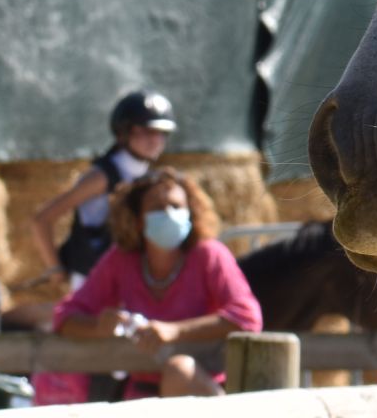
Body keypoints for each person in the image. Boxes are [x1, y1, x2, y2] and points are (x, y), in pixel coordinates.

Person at [52, 168, 262, 397]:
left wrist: (174, 331)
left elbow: (247, 317)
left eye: (176, 207)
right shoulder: (121, 260)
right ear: (138, 220)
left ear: (191, 213)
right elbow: (64, 316)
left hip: (199, 390)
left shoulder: (209, 255)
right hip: (140, 396)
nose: (169, 214)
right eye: (157, 208)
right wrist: (98, 328)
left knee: (179, 370)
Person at [33, 89, 177, 286]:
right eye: (146, 131)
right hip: (92, 283)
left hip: (126, 279)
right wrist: (55, 268)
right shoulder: (101, 177)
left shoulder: (147, 175)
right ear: (123, 132)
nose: (156, 140)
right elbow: (41, 220)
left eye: (162, 133)